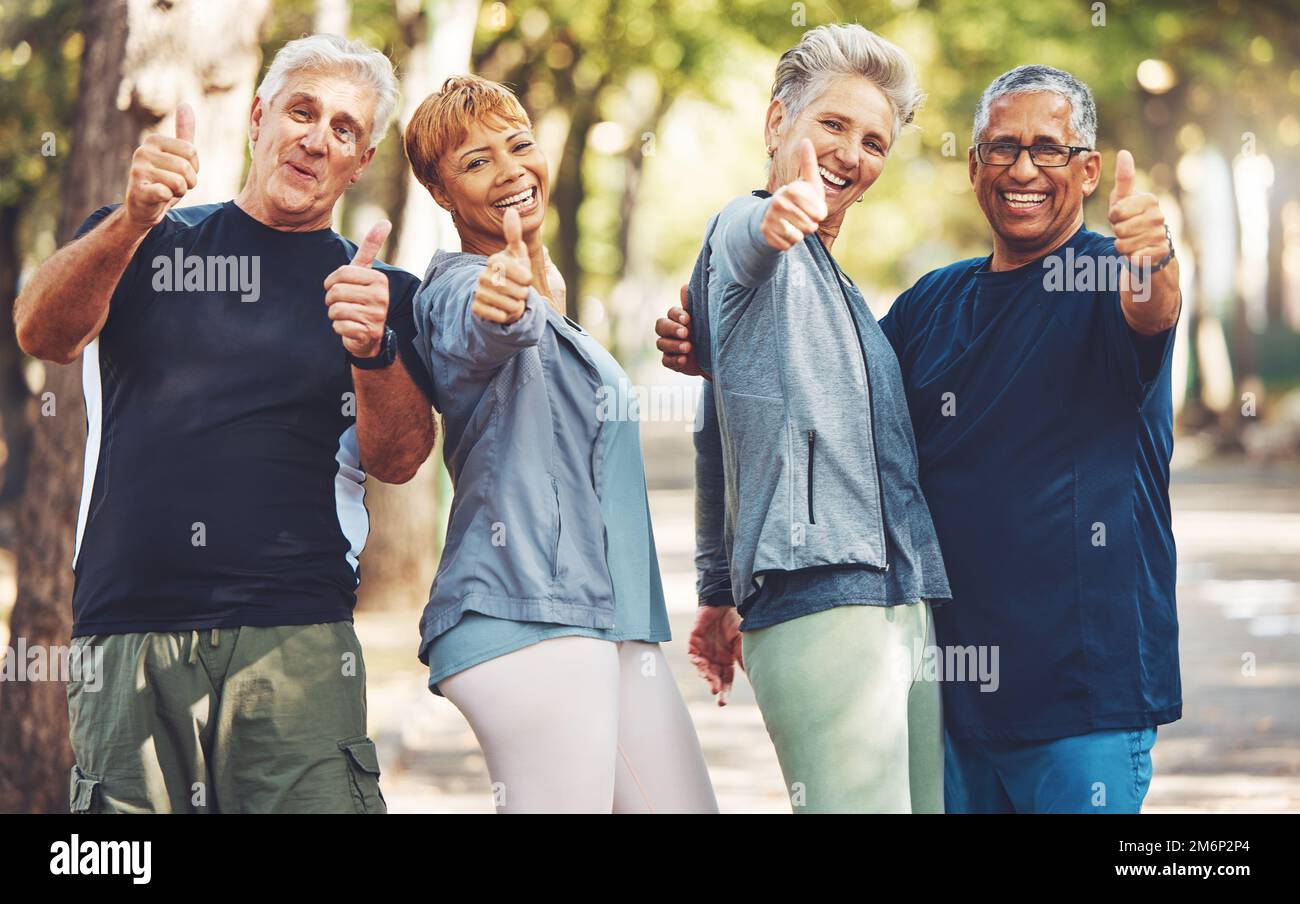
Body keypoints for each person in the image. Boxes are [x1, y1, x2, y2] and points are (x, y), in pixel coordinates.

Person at [658, 64, 1182, 813]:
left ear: (1089, 170)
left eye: (1048, 149)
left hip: (1081, 704)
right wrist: (721, 354)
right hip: (946, 700)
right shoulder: (931, 303)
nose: (1023, 168)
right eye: (1002, 148)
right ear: (975, 168)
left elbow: (1152, 309)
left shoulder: (1104, 276)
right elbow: (826, 398)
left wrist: (1153, 262)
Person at [14, 34, 437, 813]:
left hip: (297, 639)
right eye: (301, 111)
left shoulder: (379, 292)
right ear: (256, 116)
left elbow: (401, 458)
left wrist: (374, 351)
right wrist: (133, 218)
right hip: (129, 629)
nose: (316, 137)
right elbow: (43, 334)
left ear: (361, 160)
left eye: (343, 129)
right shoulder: (142, 242)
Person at [402, 74, 717, 813]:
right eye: (476, 162)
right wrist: (504, 301)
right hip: (527, 618)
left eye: (519, 145)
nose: (511, 170)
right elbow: (481, 326)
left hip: (607, 627)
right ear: (441, 193)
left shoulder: (553, 301)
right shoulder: (456, 288)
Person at [671, 24, 952, 814]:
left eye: (874, 142)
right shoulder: (746, 230)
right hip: (821, 597)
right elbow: (747, 238)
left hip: (902, 599)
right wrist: (778, 217)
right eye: (833, 124)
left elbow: (715, 434)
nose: (852, 154)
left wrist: (717, 590)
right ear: (776, 124)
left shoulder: (841, 287)